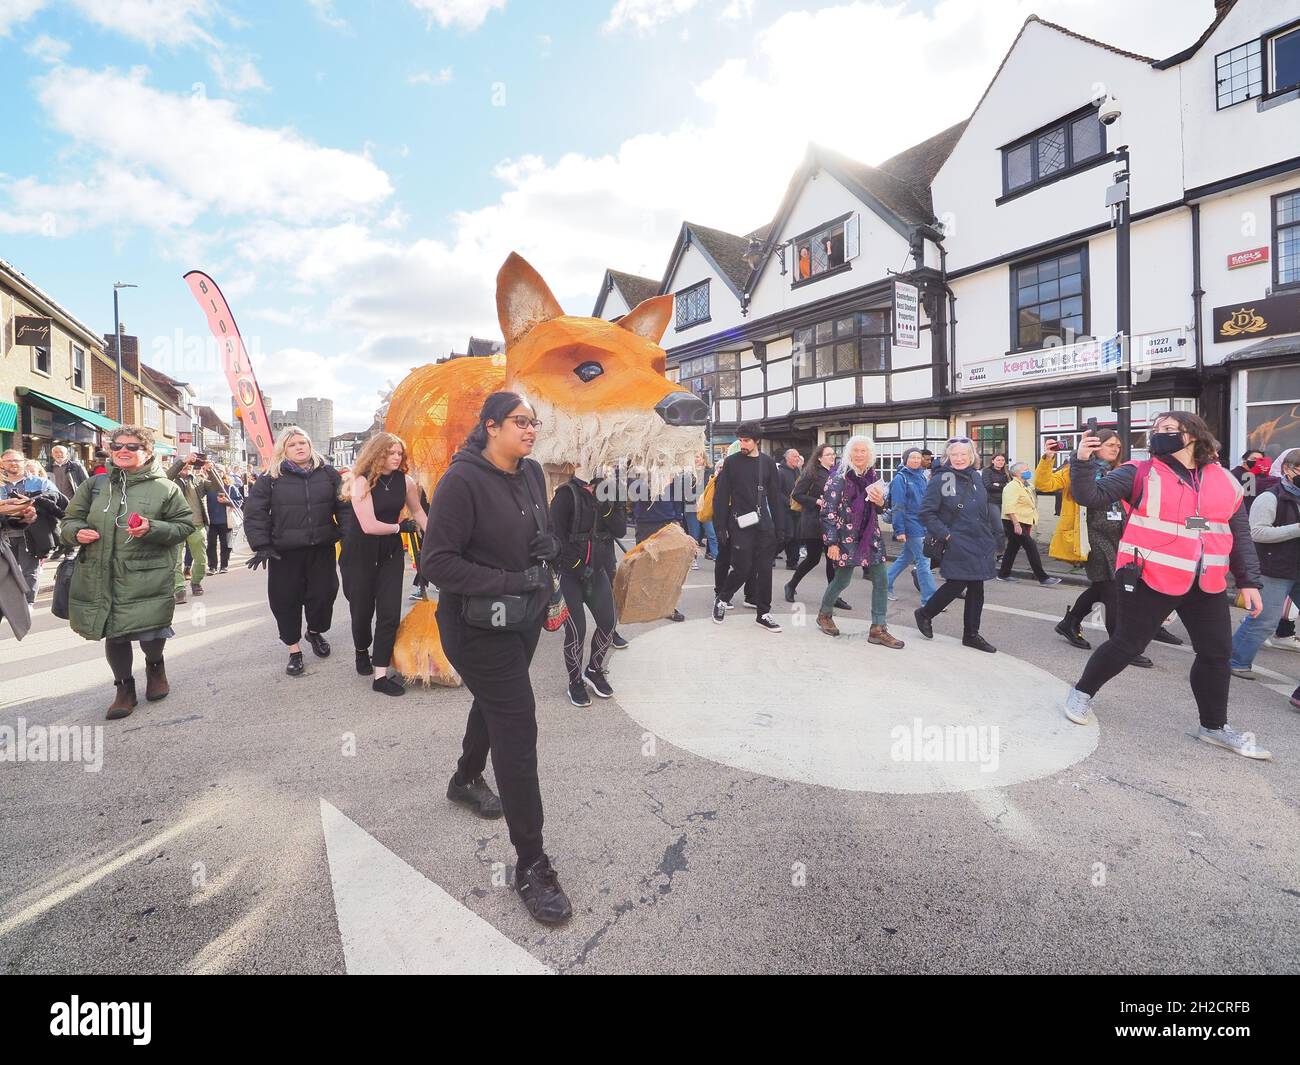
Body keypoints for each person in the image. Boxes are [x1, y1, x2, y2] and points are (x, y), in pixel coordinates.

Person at [421, 391, 572, 925]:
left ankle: (464, 779)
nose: (530, 430)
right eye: (519, 422)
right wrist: (514, 580)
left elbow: (537, 531)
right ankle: (532, 862)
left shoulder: (531, 473)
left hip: (523, 621)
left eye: (535, 421)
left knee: (493, 705)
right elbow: (438, 562)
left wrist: (548, 546)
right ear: (490, 426)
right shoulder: (460, 482)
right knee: (517, 727)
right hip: (476, 628)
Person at [1063, 412, 1270, 760]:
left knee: (1216, 655)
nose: (1160, 435)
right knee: (1126, 645)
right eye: (1156, 430)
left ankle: (1214, 727)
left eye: (1169, 430)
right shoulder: (1139, 472)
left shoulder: (1223, 480)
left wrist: (1249, 581)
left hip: (1206, 581)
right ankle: (1082, 692)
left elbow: (1239, 533)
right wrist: (1081, 460)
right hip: (1149, 576)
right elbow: (1090, 496)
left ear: (1193, 435)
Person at [58, 426, 196, 719]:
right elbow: (69, 521)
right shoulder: (95, 485)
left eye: (132, 446)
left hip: (146, 572)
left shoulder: (165, 488)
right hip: (100, 572)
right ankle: (124, 689)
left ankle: (155, 667)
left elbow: (185, 526)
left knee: (150, 631)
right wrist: (76, 532)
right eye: (118, 445)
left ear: (147, 452)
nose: (123, 450)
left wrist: (153, 527)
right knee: (115, 634)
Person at [244, 426, 345, 677]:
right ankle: (294, 650)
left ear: (310, 445)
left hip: (321, 547)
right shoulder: (271, 478)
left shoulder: (328, 474)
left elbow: (344, 506)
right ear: (283, 450)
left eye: (303, 442)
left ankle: (314, 631)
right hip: (284, 553)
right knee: (286, 601)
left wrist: (347, 533)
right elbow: (255, 513)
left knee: (324, 595)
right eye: (292, 444)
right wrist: (262, 545)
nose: (299, 447)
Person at [1051, 430, 1153, 668]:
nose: (1115, 448)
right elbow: (1045, 483)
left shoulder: (1115, 471)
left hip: (1117, 536)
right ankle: (1120, 645)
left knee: (1101, 587)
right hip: (1093, 537)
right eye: (1110, 444)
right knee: (1111, 590)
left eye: (1118, 445)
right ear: (1095, 447)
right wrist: (1048, 458)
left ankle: (1070, 622)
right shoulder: (1077, 468)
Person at [341, 432, 427, 696]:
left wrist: (435, 537)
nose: (396, 457)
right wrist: (399, 527)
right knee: (362, 612)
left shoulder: (406, 481)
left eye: (399, 453)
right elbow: (368, 525)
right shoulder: (360, 482)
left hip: (389, 553)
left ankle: (380, 675)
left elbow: (419, 512)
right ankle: (361, 650)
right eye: (390, 453)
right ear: (376, 453)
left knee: (389, 613)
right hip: (360, 553)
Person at [914, 437, 1000, 652]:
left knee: (976, 587)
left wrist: (992, 534)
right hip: (957, 540)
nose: (959, 458)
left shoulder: (975, 477)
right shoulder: (944, 479)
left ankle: (971, 635)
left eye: (964, 454)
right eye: (954, 455)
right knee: (957, 584)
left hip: (980, 540)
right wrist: (947, 535)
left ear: (972, 456)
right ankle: (925, 614)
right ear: (948, 457)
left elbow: (983, 509)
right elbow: (927, 513)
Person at [816, 436, 902, 646]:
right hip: (845, 538)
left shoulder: (872, 476)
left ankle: (878, 628)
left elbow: (881, 510)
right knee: (842, 580)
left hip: (870, 536)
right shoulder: (839, 477)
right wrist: (832, 543)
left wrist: (881, 502)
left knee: (881, 580)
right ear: (849, 453)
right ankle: (825, 614)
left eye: (864, 451)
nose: (860, 454)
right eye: (856, 451)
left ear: (870, 454)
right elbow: (827, 512)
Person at [551, 468, 625, 707]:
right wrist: (575, 565)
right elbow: (556, 538)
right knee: (576, 631)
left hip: (597, 571)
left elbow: (620, 530)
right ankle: (575, 682)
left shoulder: (606, 493)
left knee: (608, 621)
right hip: (569, 574)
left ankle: (594, 669)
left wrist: (612, 503)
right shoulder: (565, 495)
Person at [1229, 446, 1300, 679]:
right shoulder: (1270, 497)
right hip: (1274, 568)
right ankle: (1236, 660)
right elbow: (1257, 533)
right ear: (1288, 470)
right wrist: (1297, 529)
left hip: (1295, 567)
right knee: (1264, 620)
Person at [711, 423, 788, 632]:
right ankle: (722, 598)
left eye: (746, 440)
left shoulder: (768, 463)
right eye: (741, 440)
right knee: (743, 568)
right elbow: (721, 497)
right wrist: (720, 527)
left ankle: (763, 613)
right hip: (739, 524)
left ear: (756, 441)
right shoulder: (732, 463)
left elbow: (775, 498)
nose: (742, 444)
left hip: (764, 526)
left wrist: (781, 528)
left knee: (764, 570)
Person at [1, 449, 66, 603]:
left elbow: (58, 500)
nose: (13, 463)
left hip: (32, 535)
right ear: (2, 464)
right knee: (6, 573)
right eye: (8, 460)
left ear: (23, 462)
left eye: (16, 460)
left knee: (29, 573)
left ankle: (27, 604)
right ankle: (10, 604)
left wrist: (36, 498)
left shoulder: (40, 482)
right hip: (4, 536)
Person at [784, 444, 844, 606]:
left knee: (832, 561)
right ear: (819, 457)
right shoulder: (812, 473)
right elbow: (797, 495)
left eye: (833, 454)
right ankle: (791, 585)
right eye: (828, 454)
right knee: (813, 559)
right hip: (813, 522)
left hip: (831, 522)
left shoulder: (837, 473)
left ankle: (833, 597)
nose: (832, 457)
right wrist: (817, 501)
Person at [630, 468, 687, 621]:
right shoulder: (637, 470)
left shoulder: (669, 468)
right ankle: (641, 603)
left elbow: (677, 496)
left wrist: (677, 518)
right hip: (646, 523)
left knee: (667, 567)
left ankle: (667, 607)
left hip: (667, 521)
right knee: (644, 565)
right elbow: (634, 494)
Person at [167, 453, 222, 602]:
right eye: (184, 464)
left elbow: (218, 487)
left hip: (197, 525)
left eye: (189, 465)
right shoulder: (171, 481)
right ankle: (179, 589)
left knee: (201, 559)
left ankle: (196, 581)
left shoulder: (199, 480)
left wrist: (210, 470)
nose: (187, 467)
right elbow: (165, 477)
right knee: (176, 560)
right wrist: (182, 461)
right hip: (176, 524)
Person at [886, 447, 937, 605]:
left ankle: (883, 585)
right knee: (924, 560)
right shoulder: (900, 479)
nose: (916, 460)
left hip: (923, 523)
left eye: (918, 457)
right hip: (910, 523)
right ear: (905, 459)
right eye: (912, 458)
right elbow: (898, 506)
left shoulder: (922, 477)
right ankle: (929, 600)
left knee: (906, 557)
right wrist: (899, 530)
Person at [998, 462, 1062, 585]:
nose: (1028, 471)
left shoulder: (1027, 485)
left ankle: (1003, 574)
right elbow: (1009, 507)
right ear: (1017, 473)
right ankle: (1043, 577)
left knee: (1012, 548)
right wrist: (1016, 524)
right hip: (1014, 521)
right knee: (1031, 547)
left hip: (1025, 520)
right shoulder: (1012, 487)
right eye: (1025, 470)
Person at [205, 468, 242, 574]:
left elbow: (239, 501)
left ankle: (224, 565)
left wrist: (227, 501)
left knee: (225, 544)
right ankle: (212, 566)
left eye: (219, 472)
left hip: (226, 521)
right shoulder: (208, 487)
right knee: (211, 545)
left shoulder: (229, 487)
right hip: (211, 521)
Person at [683, 453, 718, 562]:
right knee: (694, 535)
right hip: (691, 507)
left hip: (705, 508)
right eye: (694, 456)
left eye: (698, 457)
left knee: (711, 534)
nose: (695, 459)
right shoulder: (688, 472)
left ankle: (717, 557)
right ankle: (693, 560)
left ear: (704, 459)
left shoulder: (710, 472)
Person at [778, 448, 802, 569]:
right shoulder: (780, 472)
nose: (797, 459)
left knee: (796, 536)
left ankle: (792, 562)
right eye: (794, 457)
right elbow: (776, 492)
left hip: (797, 509)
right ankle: (769, 555)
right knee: (787, 536)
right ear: (787, 458)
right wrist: (789, 503)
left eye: (798, 457)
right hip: (785, 510)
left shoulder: (797, 471)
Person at [982, 452, 1010, 558]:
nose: (1001, 462)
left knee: (1002, 529)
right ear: (993, 461)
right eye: (998, 460)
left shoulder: (1006, 472)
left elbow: (1010, 485)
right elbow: (988, 486)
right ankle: (1000, 553)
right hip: (992, 502)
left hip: (1006, 502)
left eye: (1002, 460)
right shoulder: (987, 471)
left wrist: (998, 484)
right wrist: (1003, 486)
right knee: (999, 529)